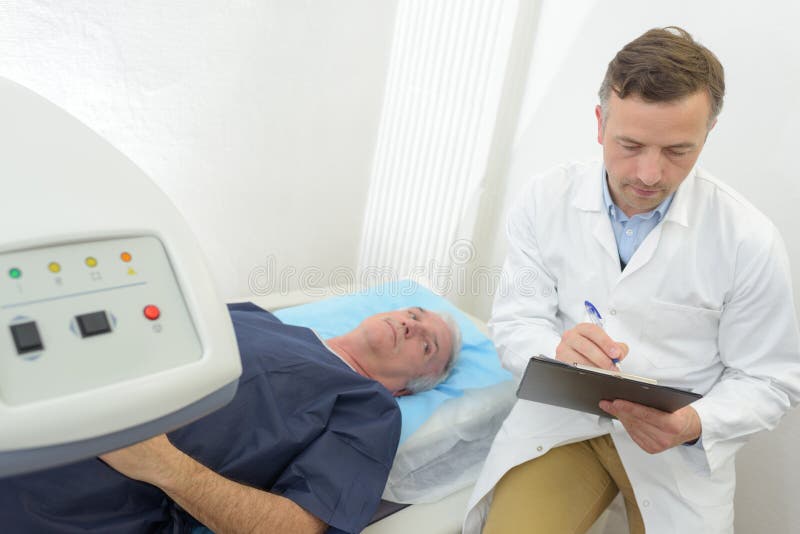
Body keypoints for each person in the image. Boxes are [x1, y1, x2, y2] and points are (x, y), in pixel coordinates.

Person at [464, 26, 800, 534]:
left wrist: (693, 424)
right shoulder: (544, 199)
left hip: (676, 453)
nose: (648, 173)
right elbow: (516, 321)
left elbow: (770, 378)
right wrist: (557, 349)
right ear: (600, 124)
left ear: (706, 136)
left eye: (677, 152)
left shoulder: (748, 239)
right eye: (631, 144)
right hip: (562, 425)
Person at [1, 301, 461, 534]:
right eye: (414, 313)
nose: (412, 324)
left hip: (82, 489)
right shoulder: (261, 317)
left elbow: (298, 527)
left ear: (404, 388)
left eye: (427, 345)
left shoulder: (369, 409)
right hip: (48, 402)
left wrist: (160, 464)